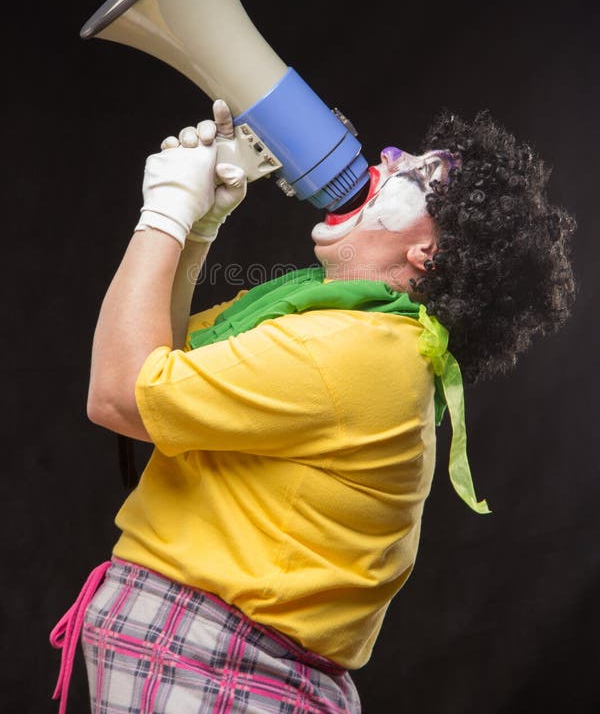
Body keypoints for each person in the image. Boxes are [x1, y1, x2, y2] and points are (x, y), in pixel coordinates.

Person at [49, 100, 576, 713]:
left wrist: (163, 214)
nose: (387, 157)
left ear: (427, 255)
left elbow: (120, 393)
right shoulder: (335, 320)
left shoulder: (358, 350)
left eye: (419, 175)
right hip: (203, 652)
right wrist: (196, 231)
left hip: (215, 657)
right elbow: (158, 362)